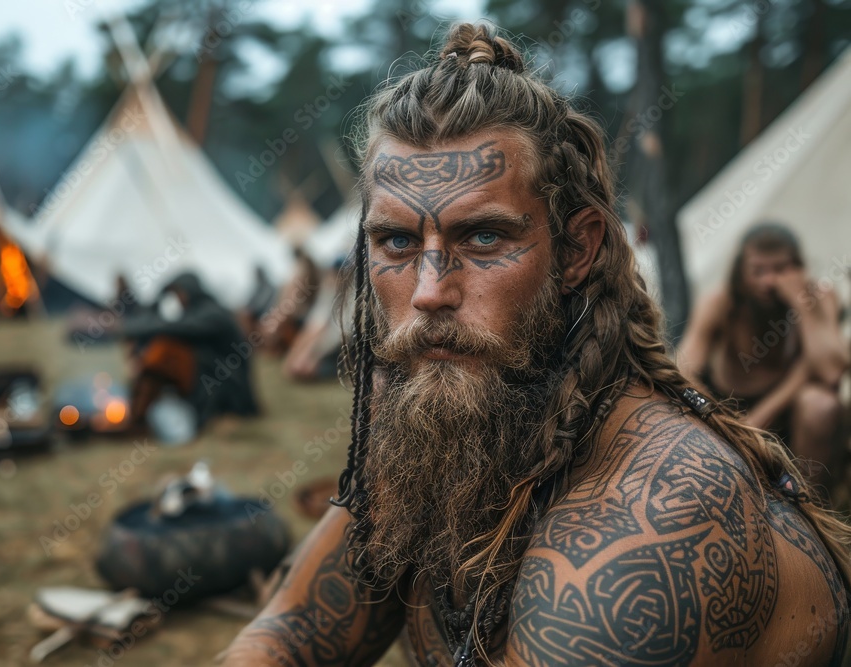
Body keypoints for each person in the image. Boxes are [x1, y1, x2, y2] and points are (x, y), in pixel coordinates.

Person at [221, 23, 851, 667]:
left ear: (578, 249)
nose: (430, 292)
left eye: (484, 238)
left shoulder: (658, 519)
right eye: (398, 243)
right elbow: (292, 633)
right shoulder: (437, 436)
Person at [678, 223, 849, 492]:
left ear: (799, 268)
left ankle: (807, 507)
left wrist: (801, 304)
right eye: (758, 271)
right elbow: (683, 374)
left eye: (780, 270)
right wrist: (723, 423)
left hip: (788, 421)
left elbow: (831, 371)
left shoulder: (819, 298)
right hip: (725, 411)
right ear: (741, 272)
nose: (769, 282)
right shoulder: (721, 303)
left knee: (821, 405)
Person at [120, 272, 258, 429]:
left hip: (232, 391)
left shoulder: (212, 314)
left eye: (178, 293)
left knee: (167, 350)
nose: (177, 299)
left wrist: (127, 328)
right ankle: (140, 416)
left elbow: (173, 327)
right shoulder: (198, 312)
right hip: (216, 383)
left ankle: (139, 418)